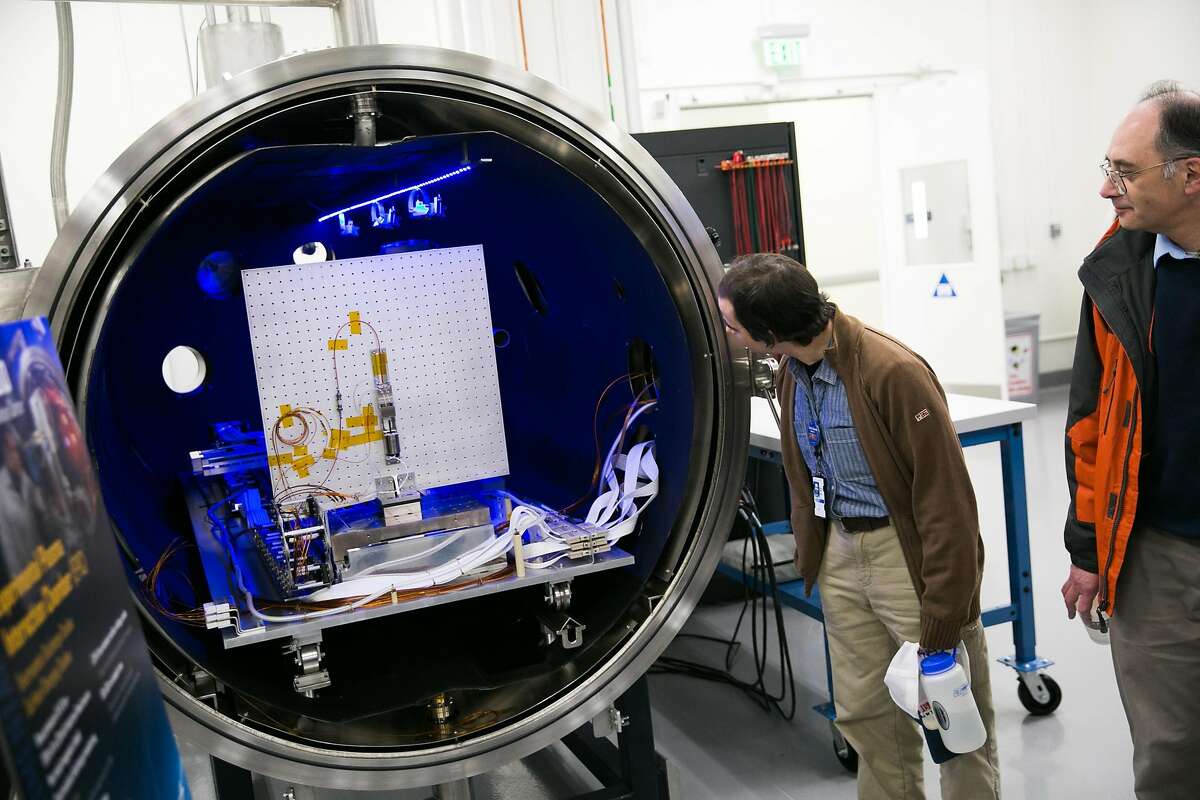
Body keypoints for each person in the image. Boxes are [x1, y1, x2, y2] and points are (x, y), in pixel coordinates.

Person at [718, 253, 1000, 800]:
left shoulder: (892, 373)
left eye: (733, 326)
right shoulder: (791, 371)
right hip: (840, 554)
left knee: (954, 720)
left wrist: (944, 613)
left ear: (770, 331)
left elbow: (948, 505)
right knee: (868, 719)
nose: (731, 335)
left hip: (904, 556)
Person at [1061, 80, 1200, 799]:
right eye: (1107, 167)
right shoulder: (1119, 272)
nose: (1106, 189)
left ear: (1192, 174)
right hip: (1158, 559)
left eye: (1125, 171)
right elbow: (1089, 423)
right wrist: (1089, 551)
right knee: (1170, 756)